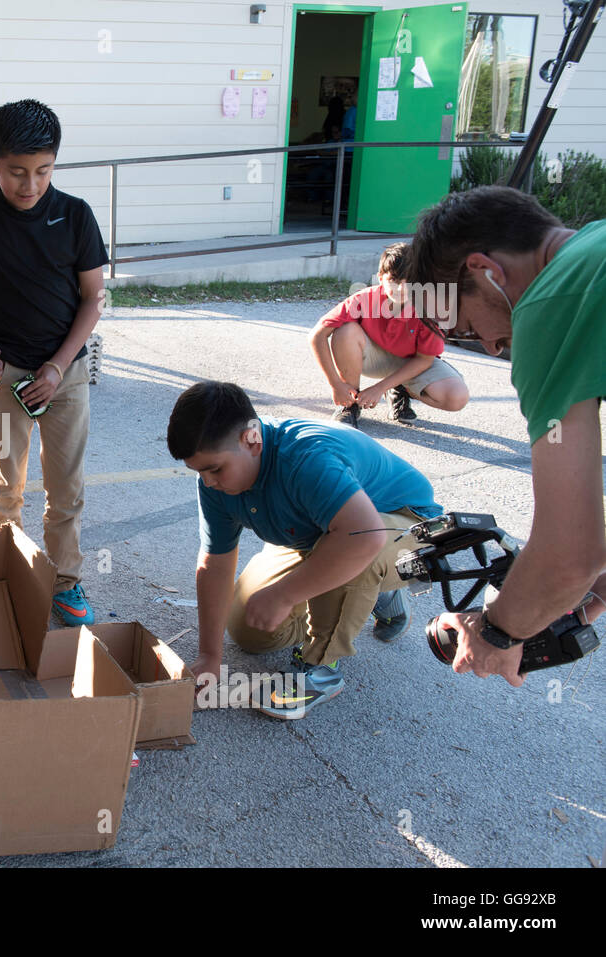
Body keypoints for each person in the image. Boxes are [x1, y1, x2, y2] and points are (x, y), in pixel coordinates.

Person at [405, 184, 606, 686]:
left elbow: (568, 554)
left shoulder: (551, 301)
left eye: (470, 330)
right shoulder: (595, 249)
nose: (494, 348)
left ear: (487, 273)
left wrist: (495, 633)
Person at [166, 381, 443, 718]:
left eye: (215, 469)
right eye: (199, 472)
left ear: (250, 440)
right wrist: (210, 655)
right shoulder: (215, 479)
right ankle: (371, 598)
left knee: (353, 553)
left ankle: (321, 669)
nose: (209, 482)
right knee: (251, 631)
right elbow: (215, 562)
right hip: (326, 535)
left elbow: (364, 536)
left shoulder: (305, 458)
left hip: (407, 525)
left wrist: (282, 595)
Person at [0, 99, 107, 624]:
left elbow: (93, 298)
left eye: (42, 171)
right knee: (5, 484)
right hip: (5, 374)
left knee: (66, 489)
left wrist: (58, 367)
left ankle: (66, 581)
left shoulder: (75, 215)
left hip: (66, 375)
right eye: (16, 173)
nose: (29, 185)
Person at [310, 241, 469, 427]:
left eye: (409, 281)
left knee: (456, 397)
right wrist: (336, 384)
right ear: (380, 277)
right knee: (345, 330)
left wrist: (379, 388)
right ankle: (349, 405)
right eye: (394, 280)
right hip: (373, 359)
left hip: (411, 363)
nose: (401, 289)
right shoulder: (364, 298)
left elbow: (424, 360)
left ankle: (399, 389)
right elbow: (317, 335)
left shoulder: (429, 307)